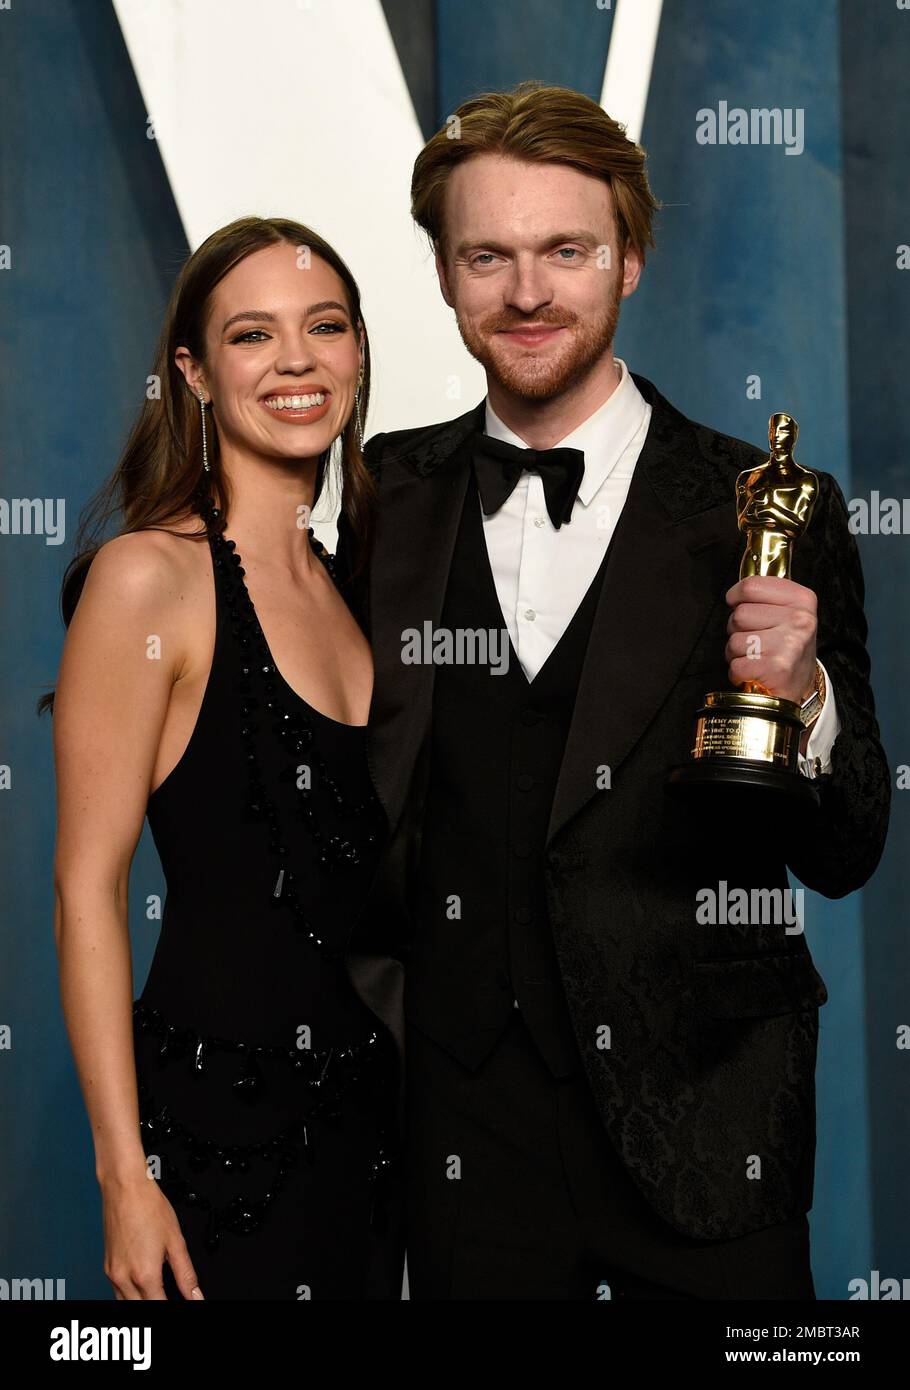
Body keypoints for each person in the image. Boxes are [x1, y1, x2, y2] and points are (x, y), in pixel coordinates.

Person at [336, 82, 891, 1300]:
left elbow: (851, 844)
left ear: (629, 260)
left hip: (709, 1131)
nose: (525, 293)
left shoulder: (764, 503)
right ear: (442, 274)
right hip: (461, 1137)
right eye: (487, 254)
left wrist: (804, 701)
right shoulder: (388, 495)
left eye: (565, 251)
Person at [48, 217, 404, 1300]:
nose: (297, 359)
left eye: (325, 326)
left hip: (372, 1129)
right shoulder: (145, 580)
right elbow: (85, 886)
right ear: (194, 374)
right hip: (212, 1139)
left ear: (356, 354)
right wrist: (125, 1177)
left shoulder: (367, 583)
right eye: (253, 335)